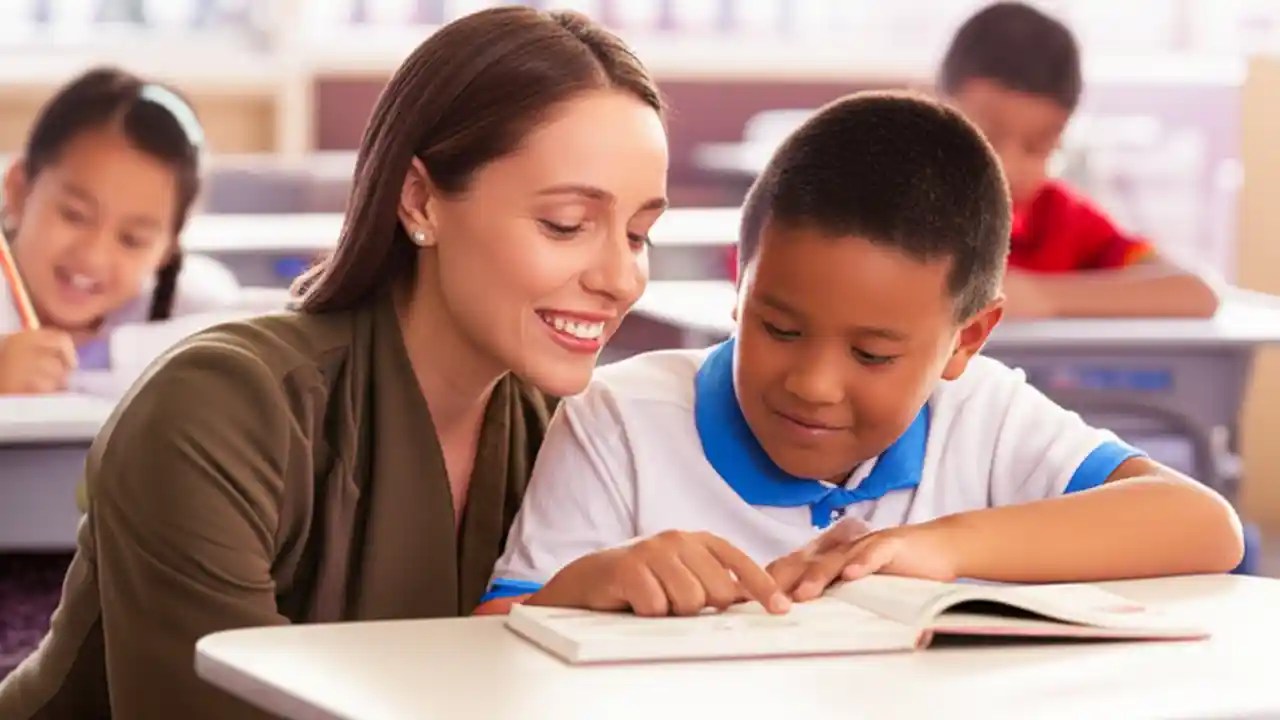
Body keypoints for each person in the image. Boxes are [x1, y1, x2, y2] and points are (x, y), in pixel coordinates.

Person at [0, 7, 668, 718]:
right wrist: (530, 633)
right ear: (419, 200)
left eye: (638, 234)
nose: (622, 279)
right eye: (566, 224)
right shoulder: (214, 409)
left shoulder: (577, 438)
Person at [477, 92, 1243, 619]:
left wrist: (942, 546)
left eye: (873, 354)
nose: (812, 385)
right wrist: (593, 586)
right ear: (739, 286)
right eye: (779, 329)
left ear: (966, 340)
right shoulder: (620, 422)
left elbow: (1206, 527)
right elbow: (478, 649)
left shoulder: (981, 415)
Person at [938, 1, 1218, 318]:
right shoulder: (900, 206)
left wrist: (1041, 295)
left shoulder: (1061, 219)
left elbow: (1195, 294)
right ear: (938, 111)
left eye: (1037, 147)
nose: (1008, 168)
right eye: (987, 137)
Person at [0, 67, 241, 396]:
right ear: (18, 191)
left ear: (168, 248)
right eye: (74, 215)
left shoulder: (194, 308)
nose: (93, 256)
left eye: (132, 240)